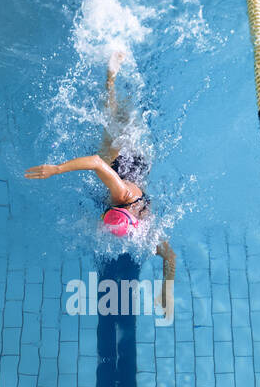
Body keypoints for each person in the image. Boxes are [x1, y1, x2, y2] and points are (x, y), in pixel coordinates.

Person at [25, 50, 176, 316]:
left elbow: (170, 256)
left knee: (117, 115)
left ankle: (114, 77)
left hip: (129, 166)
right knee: (115, 120)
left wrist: (166, 290)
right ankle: (112, 78)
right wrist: (56, 169)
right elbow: (96, 162)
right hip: (124, 159)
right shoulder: (121, 194)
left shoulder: (131, 210)